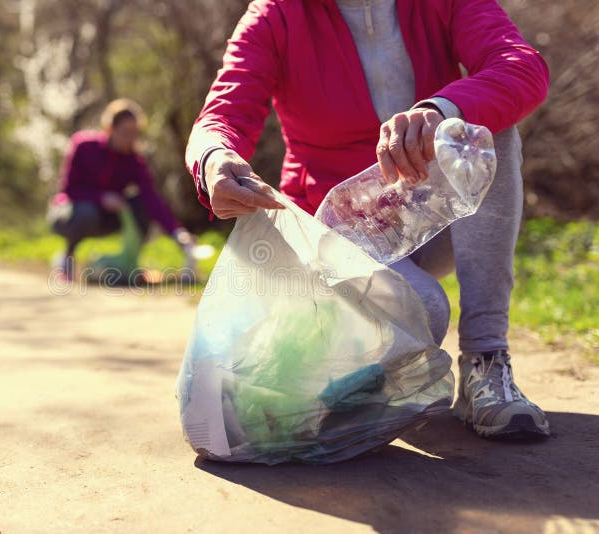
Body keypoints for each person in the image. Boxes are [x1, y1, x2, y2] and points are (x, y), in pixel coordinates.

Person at [186, 0, 550, 438]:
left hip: (429, 215)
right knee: (423, 313)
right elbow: (223, 112)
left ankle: (486, 362)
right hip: (338, 229)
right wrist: (214, 158)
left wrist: (442, 110)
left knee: (484, 129)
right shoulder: (276, 16)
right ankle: (333, 385)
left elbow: (521, 66)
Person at [51, 99, 195, 282]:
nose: (131, 139)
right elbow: (68, 189)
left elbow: (152, 200)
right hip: (70, 213)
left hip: (109, 216)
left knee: (139, 203)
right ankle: (67, 258)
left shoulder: (133, 161)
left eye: (135, 133)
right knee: (86, 212)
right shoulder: (83, 146)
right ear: (110, 129)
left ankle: (129, 263)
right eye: (126, 133)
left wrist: (177, 232)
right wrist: (101, 197)